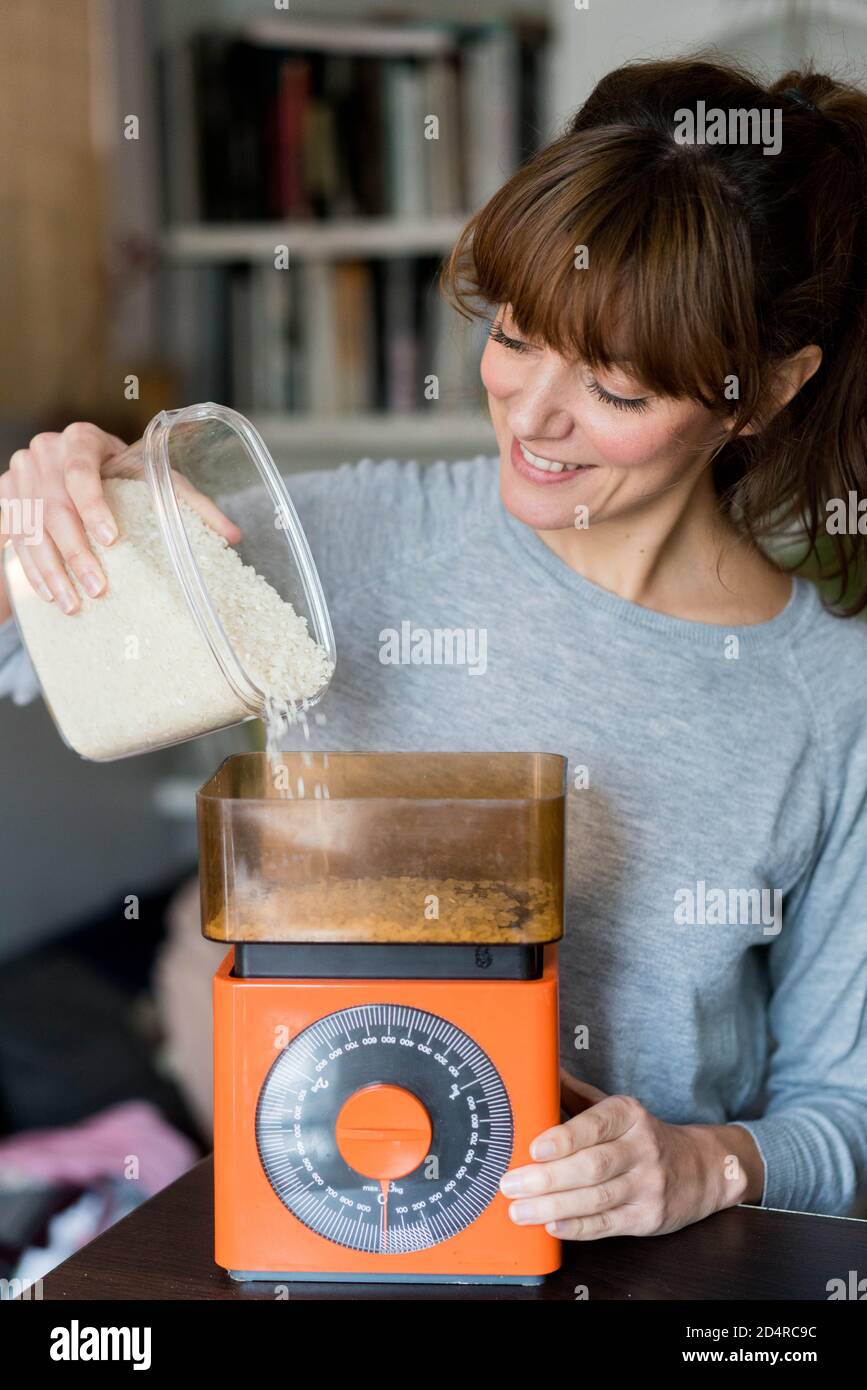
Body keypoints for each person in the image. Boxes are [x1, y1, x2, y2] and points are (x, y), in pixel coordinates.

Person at [2, 57, 867, 1239]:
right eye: (516, 335)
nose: (531, 415)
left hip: (641, 1273)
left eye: (613, 387)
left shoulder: (829, 693)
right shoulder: (350, 540)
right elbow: (36, 647)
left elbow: (841, 1113)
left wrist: (705, 1165)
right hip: (323, 1231)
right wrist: (49, 516)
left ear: (763, 393)